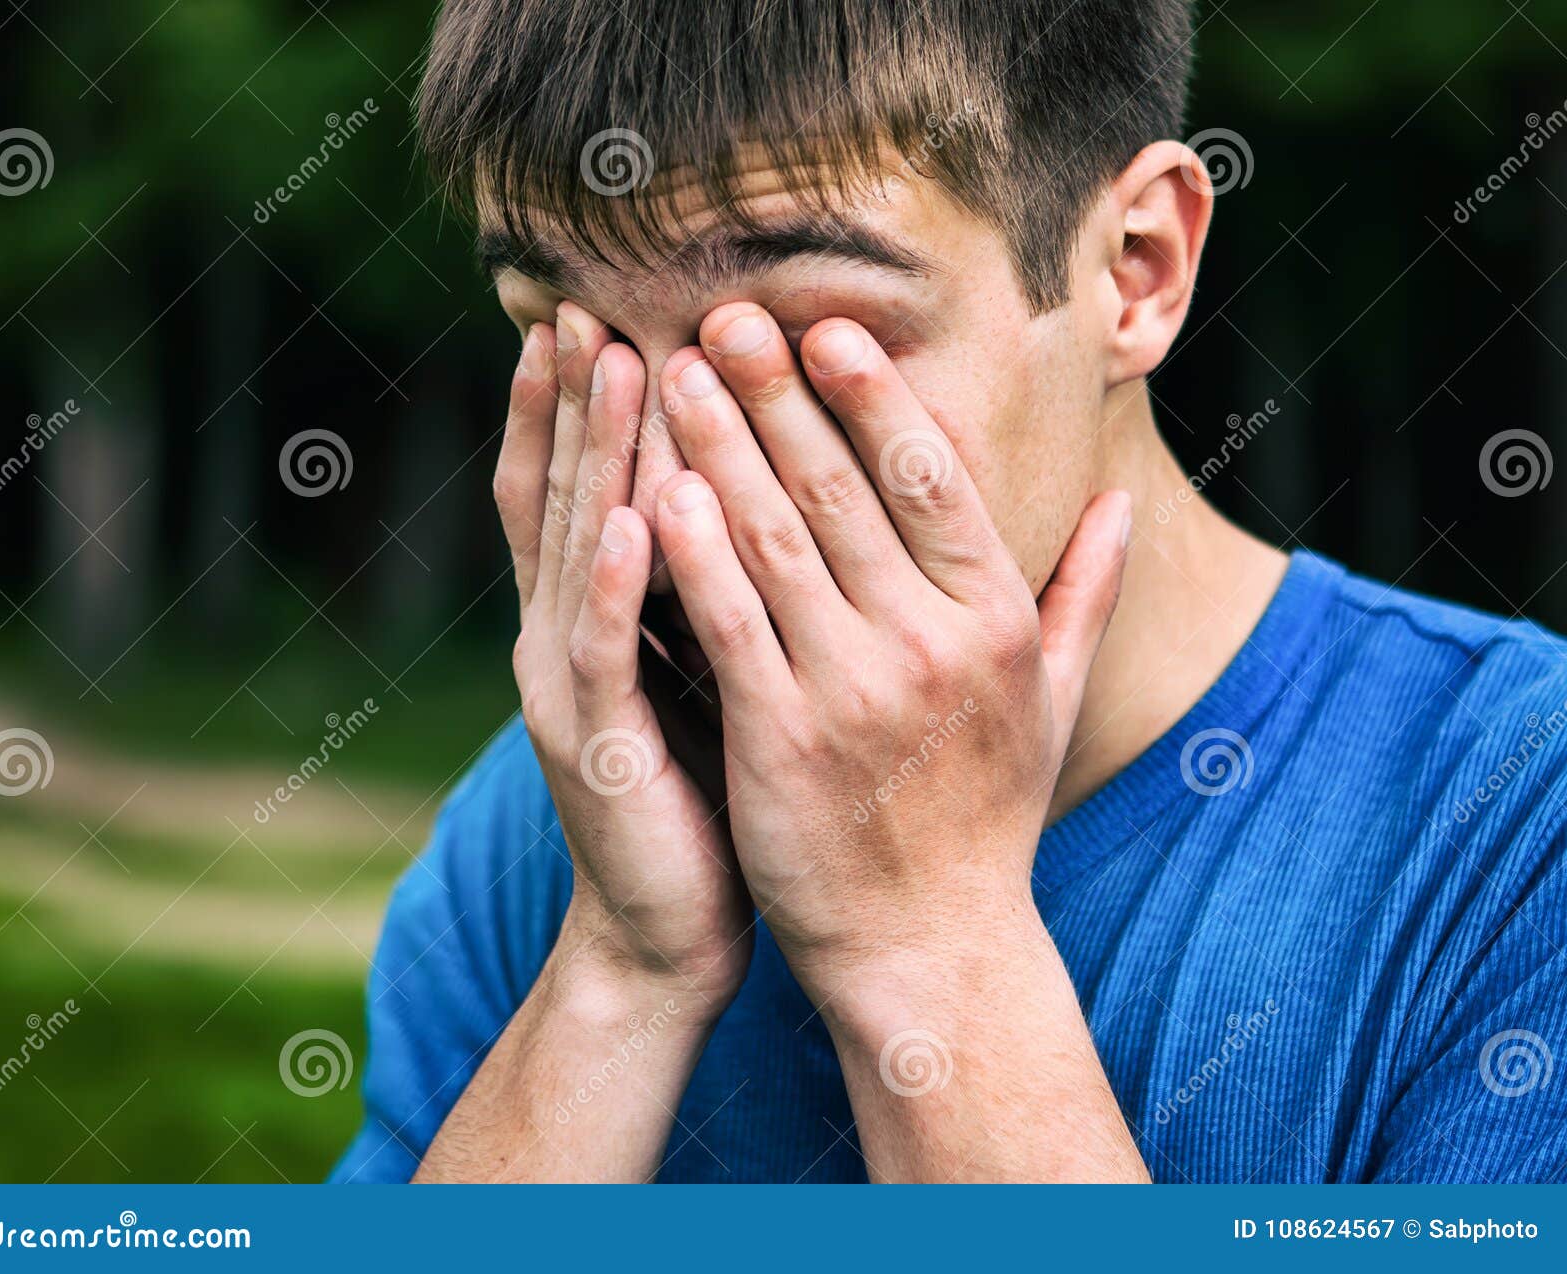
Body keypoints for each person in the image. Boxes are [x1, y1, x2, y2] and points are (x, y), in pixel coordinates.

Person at [332, 0, 1567, 1183]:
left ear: (1136, 268)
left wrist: (930, 944)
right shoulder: (559, 823)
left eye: (797, 344)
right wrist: (617, 971)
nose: (663, 497)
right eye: (570, 340)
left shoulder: (1512, 821)